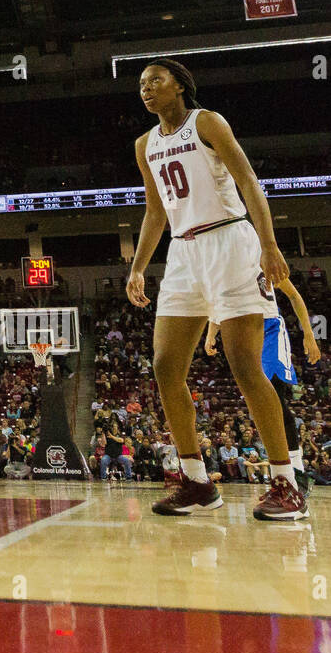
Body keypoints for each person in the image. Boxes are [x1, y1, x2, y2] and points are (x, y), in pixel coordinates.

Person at [127, 60, 305, 520]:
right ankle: (197, 482)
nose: (146, 90)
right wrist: (138, 267)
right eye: (142, 85)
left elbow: (248, 181)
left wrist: (268, 244)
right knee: (166, 366)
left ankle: (286, 482)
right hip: (184, 253)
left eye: (155, 81)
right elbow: (154, 212)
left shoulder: (207, 122)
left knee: (246, 366)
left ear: (180, 86)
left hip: (230, 240)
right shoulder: (145, 144)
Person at [204, 274, 320, 495]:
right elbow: (219, 304)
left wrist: (309, 334)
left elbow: (294, 296)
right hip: (242, 332)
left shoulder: (263, 258)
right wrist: (211, 333)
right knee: (260, 406)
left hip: (270, 330)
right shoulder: (222, 263)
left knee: (276, 400)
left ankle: (296, 468)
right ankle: (281, 471)